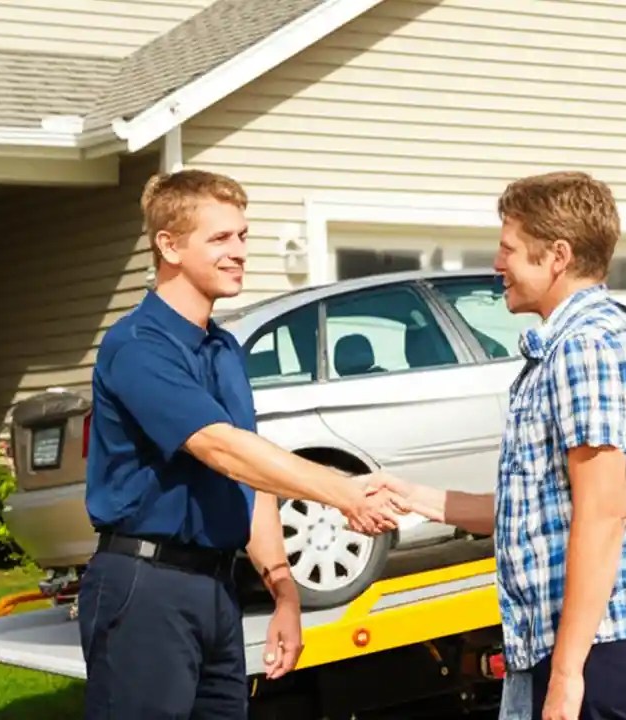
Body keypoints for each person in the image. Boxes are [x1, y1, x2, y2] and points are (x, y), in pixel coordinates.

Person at [367, 171, 626, 720]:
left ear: (557, 257)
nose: (498, 266)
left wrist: (567, 674)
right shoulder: (607, 338)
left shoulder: (582, 348)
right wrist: (412, 497)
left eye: (509, 250)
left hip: (600, 648)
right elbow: (535, 513)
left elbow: (602, 512)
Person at [79, 169, 406, 719]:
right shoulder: (139, 345)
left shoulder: (224, 349)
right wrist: (343, 493)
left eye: (242, 236)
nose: (238, 252)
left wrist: (283, 589)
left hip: (216, 590)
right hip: (145, 588)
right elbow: (221, 448)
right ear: (169, 245)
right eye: (220, 238)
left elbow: (249, 473)